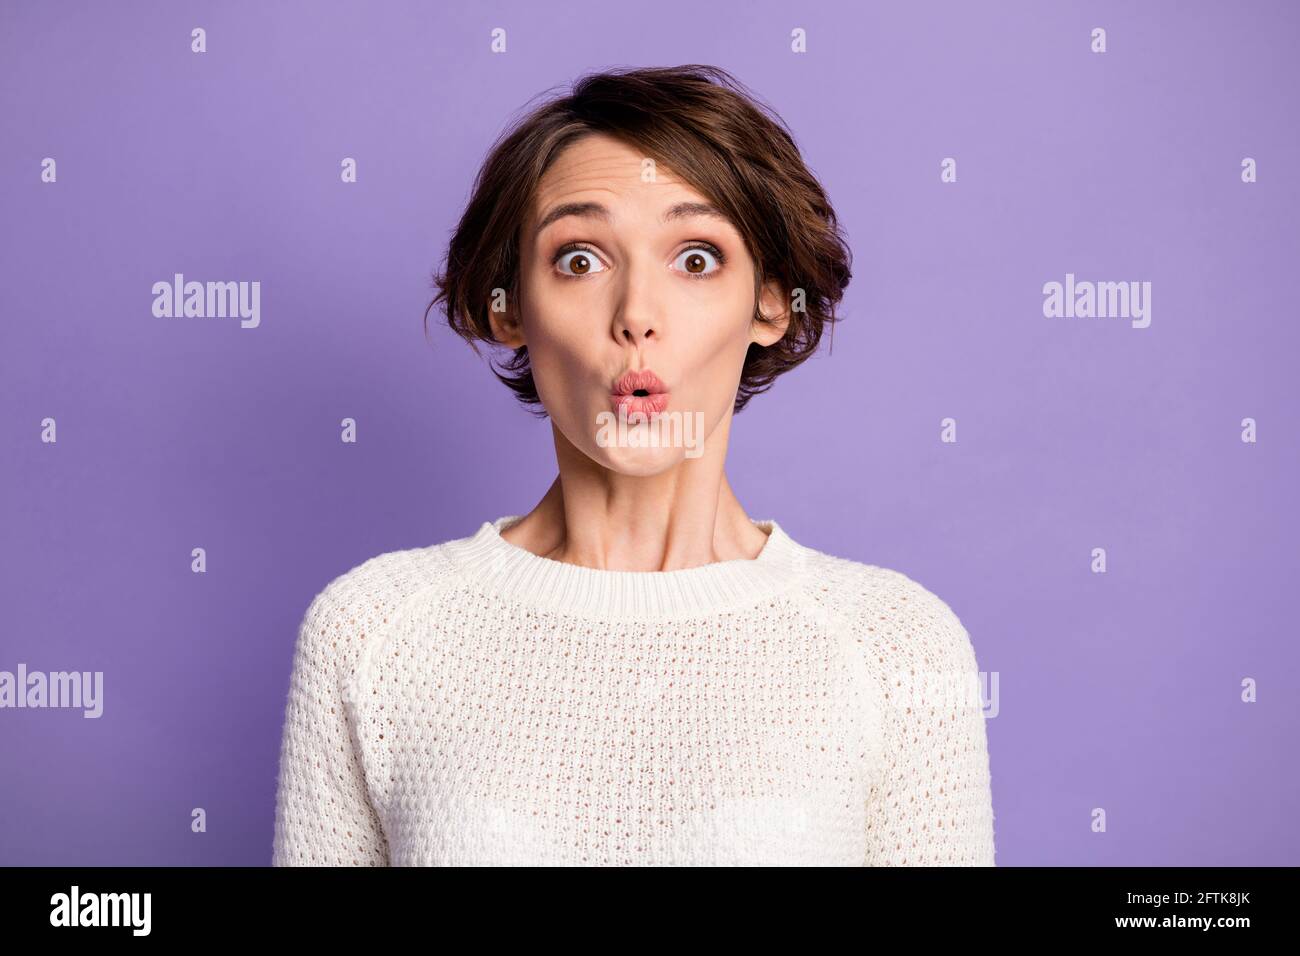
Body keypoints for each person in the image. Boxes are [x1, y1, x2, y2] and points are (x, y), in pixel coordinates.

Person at [271, 64, 996, 866]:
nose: (637, 318)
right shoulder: (373, 632)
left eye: (695, 259)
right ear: (508, 309)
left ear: (767, 303)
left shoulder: (893, 647)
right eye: (580, 259)